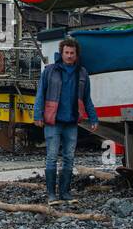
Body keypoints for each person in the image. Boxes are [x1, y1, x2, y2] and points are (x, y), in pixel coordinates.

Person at [31, 36, 99, 202]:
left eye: (72, 53)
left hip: (71, 123)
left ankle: (65, 193)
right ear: (61, 53)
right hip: (53, 121)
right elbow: (40, 94)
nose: (69, 55)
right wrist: (37, 115)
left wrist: (93, 117)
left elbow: (87, 98)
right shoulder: (49, 71)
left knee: (69, 157)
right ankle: (51, 194)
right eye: (66, 52)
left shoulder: (82, 73)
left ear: (76, 55)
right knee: (52, 156)